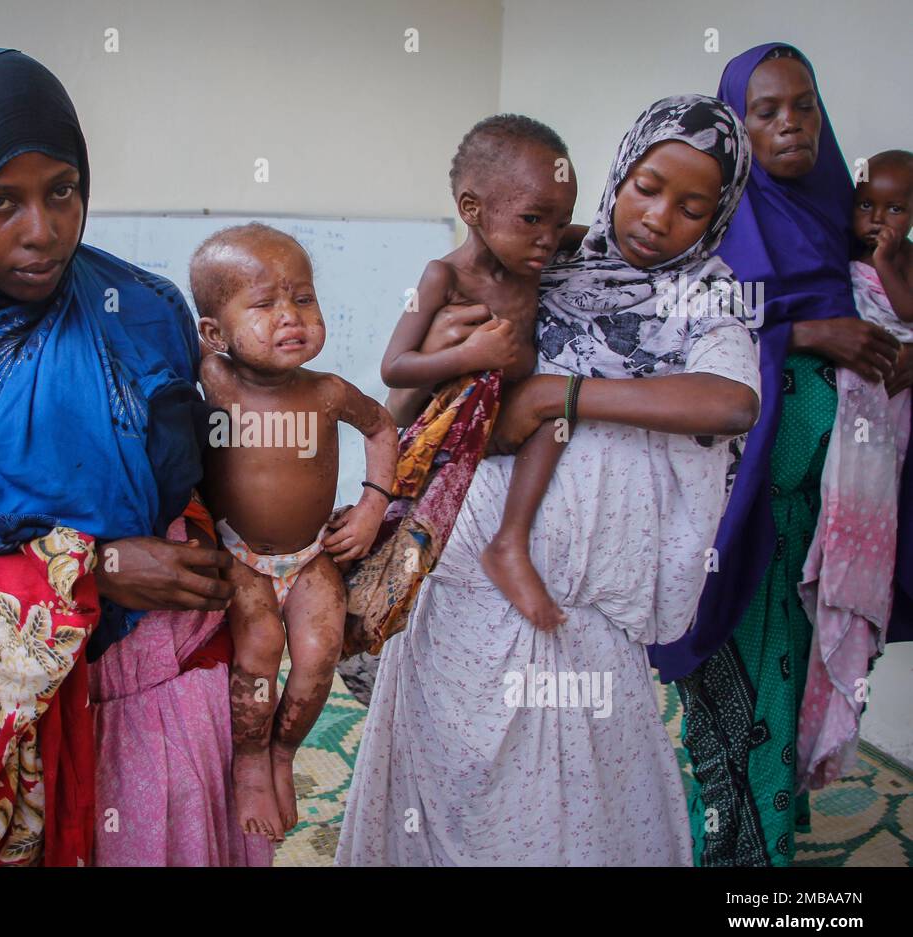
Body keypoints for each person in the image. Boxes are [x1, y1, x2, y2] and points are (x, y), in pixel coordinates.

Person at [0, 49, 270, 866]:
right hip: (4, 751)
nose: (44, 231)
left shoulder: (139, 313)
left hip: (164, 712)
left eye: (62, 191)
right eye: (0, 201)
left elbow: (204, 491)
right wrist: (91, 569)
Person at [337, 94, 758, 866]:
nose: (660, 217)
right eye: (646, 185)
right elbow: (409, 395)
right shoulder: (543, 255)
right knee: (449, 767)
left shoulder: (709, 300)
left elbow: (731, 402)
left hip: (577, 610)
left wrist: (560, 394)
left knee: (571, 796)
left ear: (718, 216)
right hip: (461, 580)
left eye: (693, 206)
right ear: (620, 175)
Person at [652, 45, 911, 867]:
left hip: (829, 514)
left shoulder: (847, 213)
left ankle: (768, 838)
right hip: (741, 511)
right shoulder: (716, 218)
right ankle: (740, 862)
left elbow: (889, 318)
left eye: (803, 105)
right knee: (740, 704)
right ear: (738, 123)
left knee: (793, 690)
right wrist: (804, 332)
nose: (790, 122)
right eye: (765, 111)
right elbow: (673, 334)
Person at [191, 223, 397, 841]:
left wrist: (371, 506)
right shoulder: (215, 380)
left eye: (302, 299)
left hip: (311, 558)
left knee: (317, 659)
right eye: (264, 304)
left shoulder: (329, 392)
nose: (290, 318)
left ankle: (283, 751)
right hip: (241, 559)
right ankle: (250, 758)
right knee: (259, 656)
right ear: (215, 333)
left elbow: (384, 429)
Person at [377, 115, 578, 634]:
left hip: (513, 422)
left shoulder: (534, 262)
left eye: (560, 224)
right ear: (471, 209)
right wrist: (474, 353)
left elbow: (599, 235)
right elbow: (395, 368)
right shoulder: (440, 276)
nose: (549, 240)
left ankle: (510, 540)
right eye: (534, 220)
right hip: (447, 425)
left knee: (561, 412)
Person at [796, 150, 913, 789]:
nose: (877, 219)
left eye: (895, 209)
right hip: (842, 430)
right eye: (867, 205)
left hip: (886, 422)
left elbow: (904, 313)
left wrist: (891, 257)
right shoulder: (827, 257)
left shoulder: (899, 262)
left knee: (867, 533)